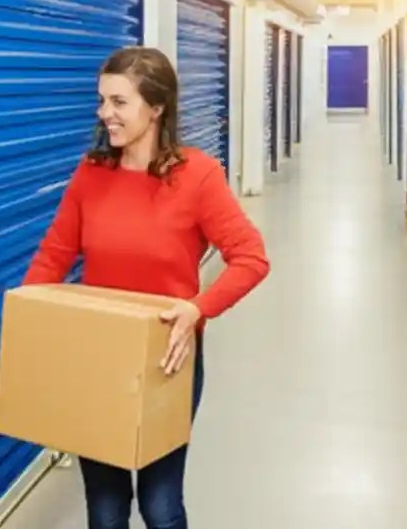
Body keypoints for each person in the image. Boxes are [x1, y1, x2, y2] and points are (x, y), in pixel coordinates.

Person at [22, 46, 271, 529]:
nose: (104, 114)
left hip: (167, 360)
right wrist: (33, 322)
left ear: (156, 108)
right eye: (101, 101)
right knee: (106, 507)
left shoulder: (196, 175)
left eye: (119, 102)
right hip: (98, 358)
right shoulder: (92, 175)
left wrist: (198, 310)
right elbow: (54, 255)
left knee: (160, 506)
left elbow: (251, 258)